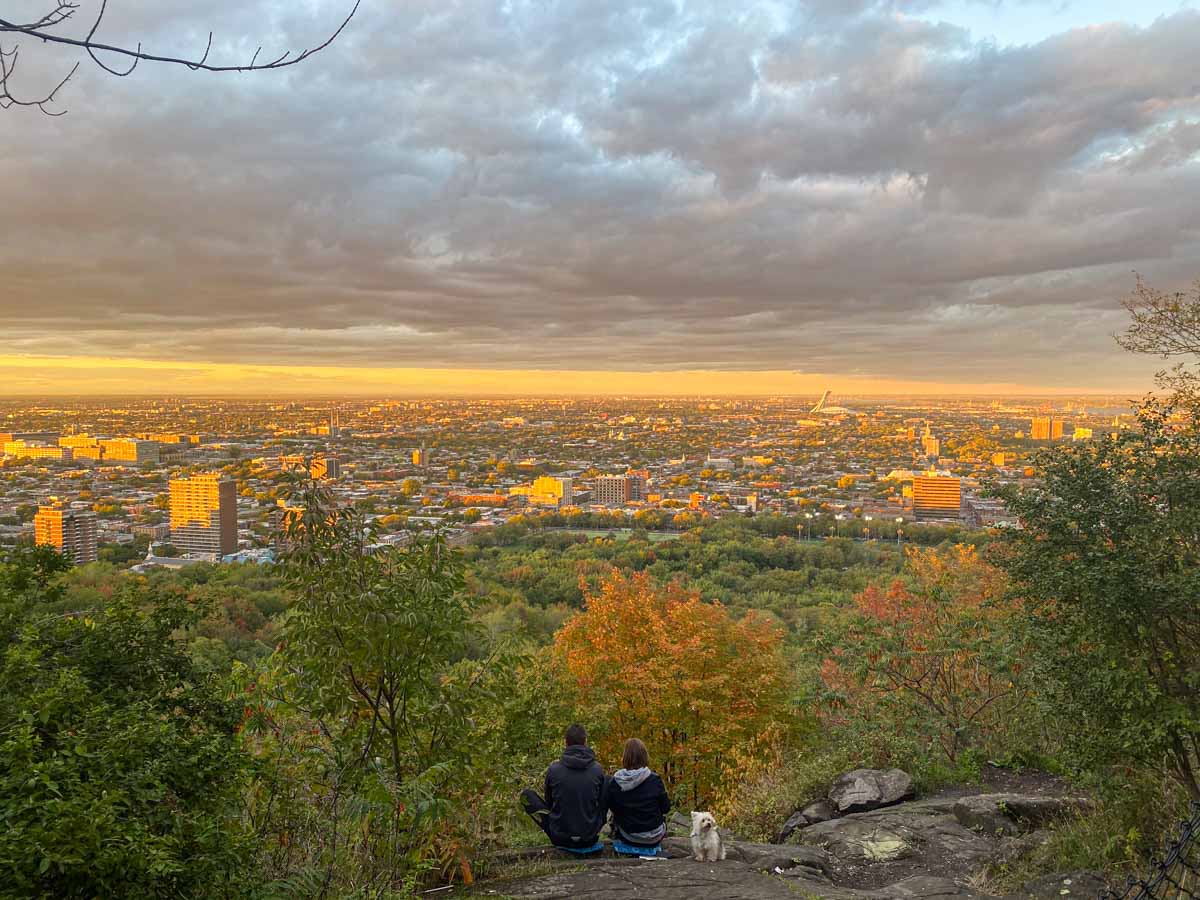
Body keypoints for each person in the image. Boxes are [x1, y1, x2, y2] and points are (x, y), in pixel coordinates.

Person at [520, 723, 607, 851]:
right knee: (609, 784)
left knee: (526, 795)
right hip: (589, 836)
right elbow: (601, 802)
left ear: (566, 743)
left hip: (560, 836)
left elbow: (549, 804)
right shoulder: (597, 769)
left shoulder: (554, 769)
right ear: (585, 742)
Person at [606, 737, 671, 849]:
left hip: (628, 836)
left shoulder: (615, 782)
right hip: (654, 837)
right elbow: (666, 808)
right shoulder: (655, 779)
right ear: (644, 756)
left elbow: (612, 808)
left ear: (625, 757)